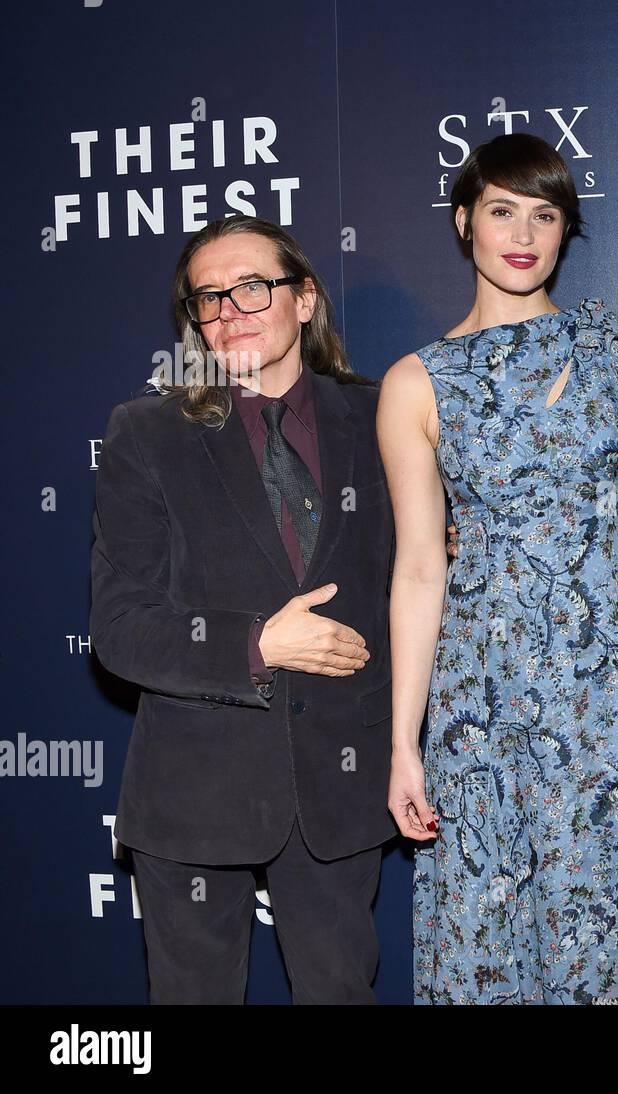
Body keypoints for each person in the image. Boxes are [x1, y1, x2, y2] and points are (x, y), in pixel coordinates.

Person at [379, 132, 618, 1004]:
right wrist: (403, 746)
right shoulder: (417, 382)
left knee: (617, 929)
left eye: (546, 214)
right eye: (501, 211)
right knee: (494, 941)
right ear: (464, 223)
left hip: (608, 705)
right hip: (482, 712)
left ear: (566, 231)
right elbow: (418, 569)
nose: (523, 233)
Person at [90, 215, 396, 1003]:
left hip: (342, 784)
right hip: (193, 792)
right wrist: (262, 643)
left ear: (305, 299)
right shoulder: (146, 434)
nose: (229, 312)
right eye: (209, 299)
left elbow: (417, 581)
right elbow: (120, 629)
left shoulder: (383, 418)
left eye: (252, 289)